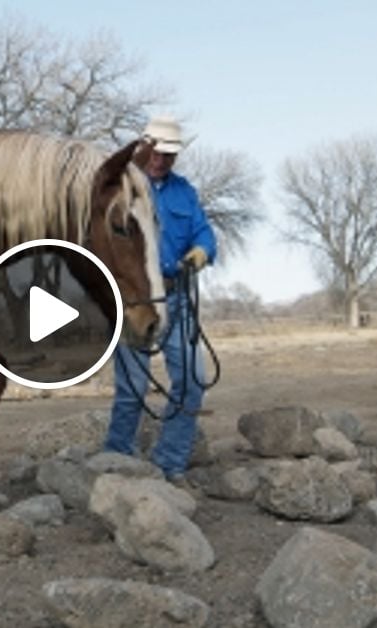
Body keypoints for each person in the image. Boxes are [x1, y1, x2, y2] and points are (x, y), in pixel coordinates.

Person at [103, 115, 217, 481]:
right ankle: (116, 460)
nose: (162, 160)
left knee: (192, 380)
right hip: (135, 301)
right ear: (143, 147)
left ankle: (169, 464)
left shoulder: (185, 192)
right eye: (157, 152)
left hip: (176, 297)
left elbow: (204, 234)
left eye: (170, 154)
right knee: (133, 387)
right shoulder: (120, 188)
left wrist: (201, 252)